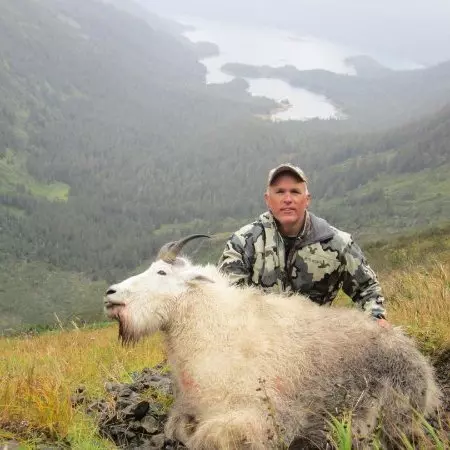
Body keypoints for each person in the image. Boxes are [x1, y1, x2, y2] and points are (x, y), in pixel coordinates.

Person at [218, 163, 388, 325]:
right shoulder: (242, 243)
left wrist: (376, 319)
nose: (287, 199)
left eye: (295, 192)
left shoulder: (338, 243)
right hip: (259, 341)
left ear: (307, 199)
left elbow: (368, 288)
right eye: (280, 192)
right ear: (268, 199)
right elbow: (227, 301)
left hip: (314, 341)